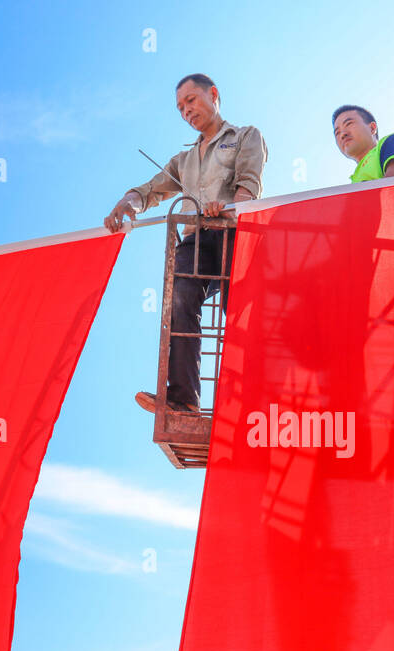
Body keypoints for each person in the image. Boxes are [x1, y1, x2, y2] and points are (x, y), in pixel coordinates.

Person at [104, 74, 267, 415]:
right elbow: (152, 190)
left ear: (213, 94)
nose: (186, 110)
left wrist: (229, 207)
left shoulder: (245, 136)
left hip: (233, 232)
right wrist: (126, 203)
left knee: (237, 309)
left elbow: (249, 185)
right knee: (179, 294)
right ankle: (182, 398)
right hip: (196, 239)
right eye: (180, 107)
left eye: (191, 100)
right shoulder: (184, 161)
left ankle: (249, 396)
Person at [332, 105, 394, 182]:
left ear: (372, 128)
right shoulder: (354, 179)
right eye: (337, 133)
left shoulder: (391, 142)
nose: (343, 134)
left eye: (349, 124)